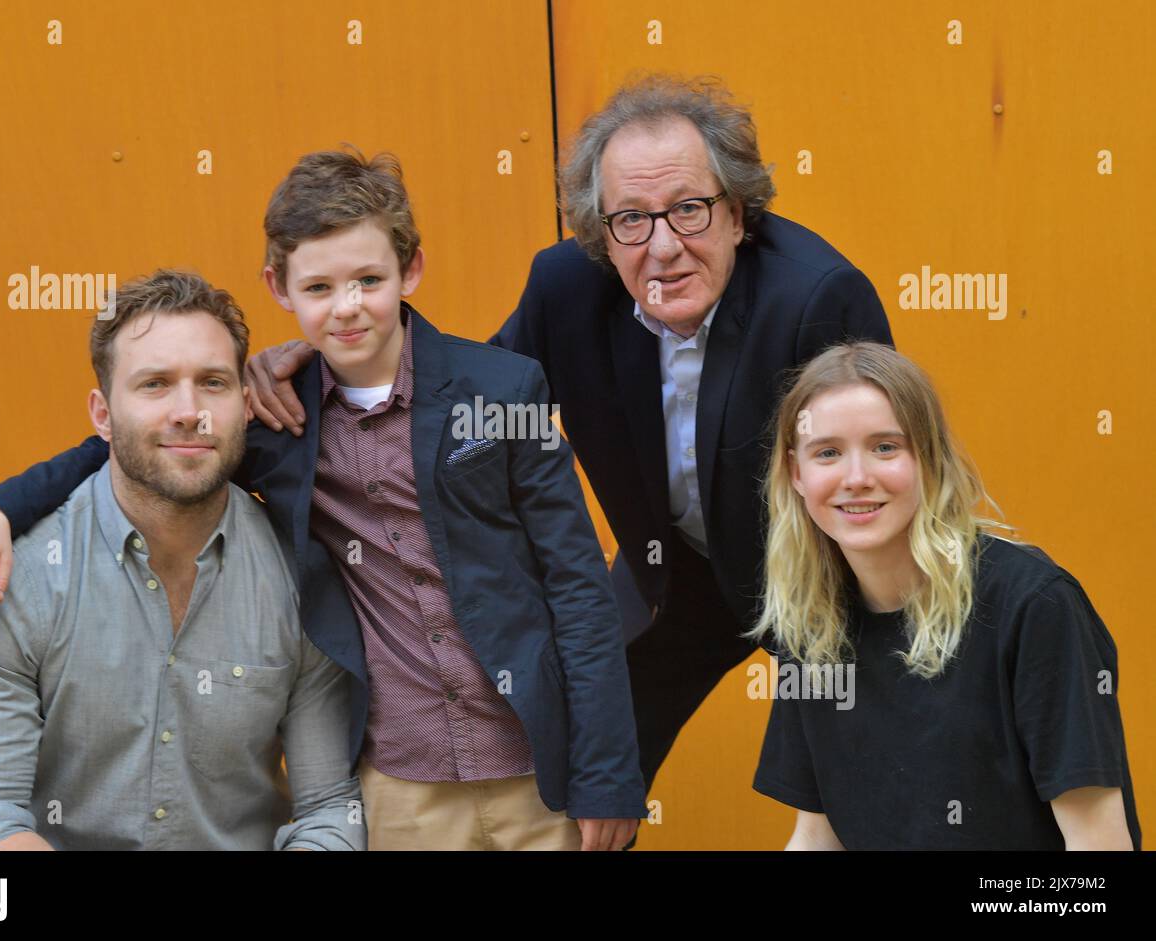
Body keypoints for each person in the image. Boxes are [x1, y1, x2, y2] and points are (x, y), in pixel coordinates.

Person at [0, 151, 645, 851]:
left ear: (412, 269)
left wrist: (608, 773)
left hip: (537, 763)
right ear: (279, 287)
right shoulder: (277, 417)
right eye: (320, 286)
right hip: (403, 782)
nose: (348, 306)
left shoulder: (502, 389)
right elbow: (137, 447)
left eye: (369, 279)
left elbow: (579, 587)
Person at [243, 74, 894, 791]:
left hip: (818, 577)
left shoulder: (817, 296)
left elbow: (885, 472)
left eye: (689, 210)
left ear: (738, 214)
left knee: (855, 779)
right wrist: (321, 359)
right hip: (674, 573)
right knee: (593, 764)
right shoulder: (568, 288)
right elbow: (461, 404)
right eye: (631, 220)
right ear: (600, 232)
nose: (664, 245)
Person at [0, 270, 363, 850]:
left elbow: (331, 809)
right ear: (102, 415)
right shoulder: (15, 576)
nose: (189, 412)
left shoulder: (299, 576)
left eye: (212, 383)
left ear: (244, 402)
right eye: (155, 384)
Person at [748, 341, 1141, 850]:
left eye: (886, 447)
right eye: (828, 453)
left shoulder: (1035, 607)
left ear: (930, 459)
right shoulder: (811, 626)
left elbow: (1098, 847)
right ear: (797, 474)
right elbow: (817, 837)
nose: (857, 478)